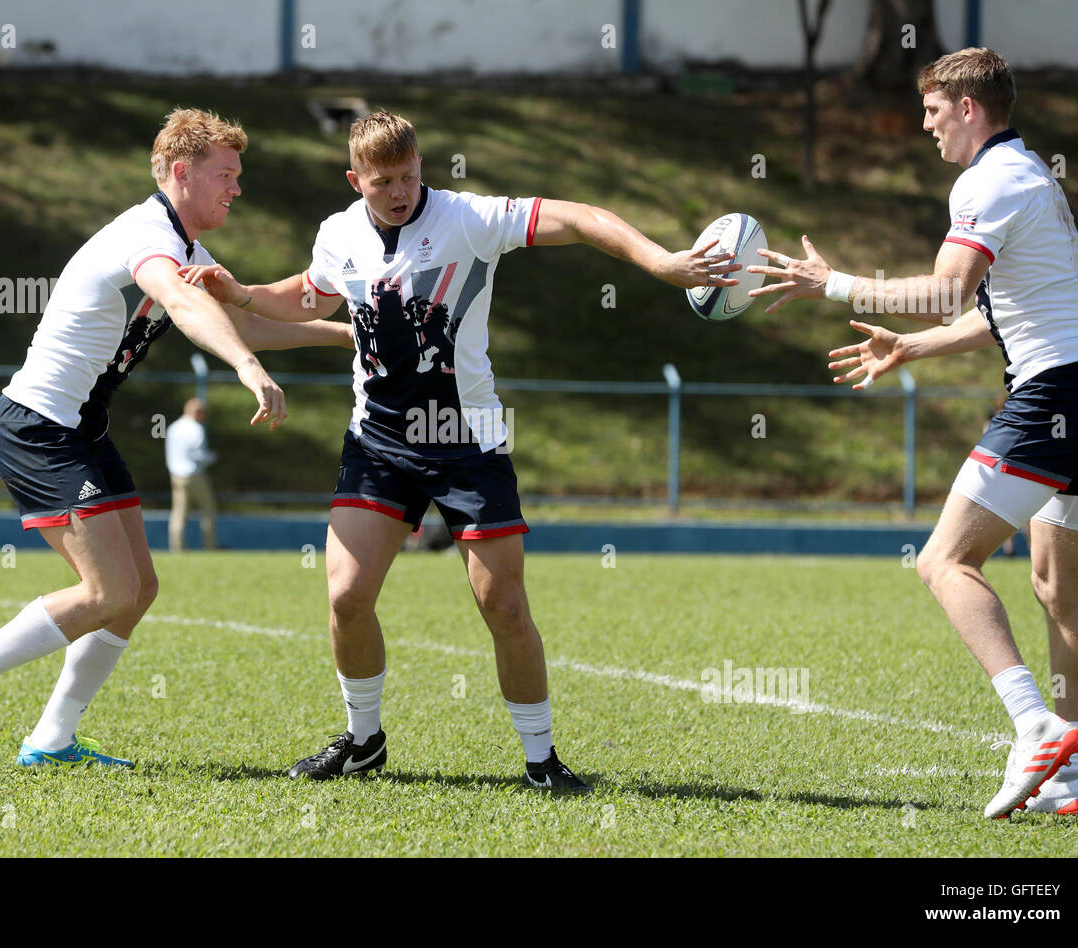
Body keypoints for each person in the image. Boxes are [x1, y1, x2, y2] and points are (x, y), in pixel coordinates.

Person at [179, 110, 739, 790]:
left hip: (467, 439)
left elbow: (582, 216)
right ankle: (363, 740)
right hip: (378, 440)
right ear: (355, 179)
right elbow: (308, 296)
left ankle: (541, 760)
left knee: (502, 605)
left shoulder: (468, 218)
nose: (399, 192)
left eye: (410, 177)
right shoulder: (338, 233)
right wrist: (240, 292)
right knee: (346, 596)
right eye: (383, 182)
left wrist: (661, 261)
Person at [0, 108, 354, 771]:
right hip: (38, 429)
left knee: (138, 587)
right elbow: (179, 301)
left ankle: (52, 739)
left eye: (238, 176)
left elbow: (247, 322)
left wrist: (348, 337)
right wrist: (246, 369)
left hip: (81, 430)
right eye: (225, 175)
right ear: (182, 173)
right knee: (107, 590)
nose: (236, 189)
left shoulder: (186, 248)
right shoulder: (147, 236)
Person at [750, 48, 1078, 818]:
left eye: (933, 109)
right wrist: (912, 347)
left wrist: (832, 283)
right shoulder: (1030, 171)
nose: (924, 124)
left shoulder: (987, 180)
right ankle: (1074, 781)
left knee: (945, 560)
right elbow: (1003, 309)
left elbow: (948, 287)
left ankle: (1034, 725)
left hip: (1054, 396)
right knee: (1058, 583)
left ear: (969, 107)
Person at [166, 397, 219, 551]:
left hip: (176, 476)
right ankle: (210, 546)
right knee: (208, 511)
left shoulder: (173, 427)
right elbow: (198, 454)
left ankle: (177, 548)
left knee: (179, 513)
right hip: (195, 475)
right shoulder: (196, 428)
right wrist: (212, 457)